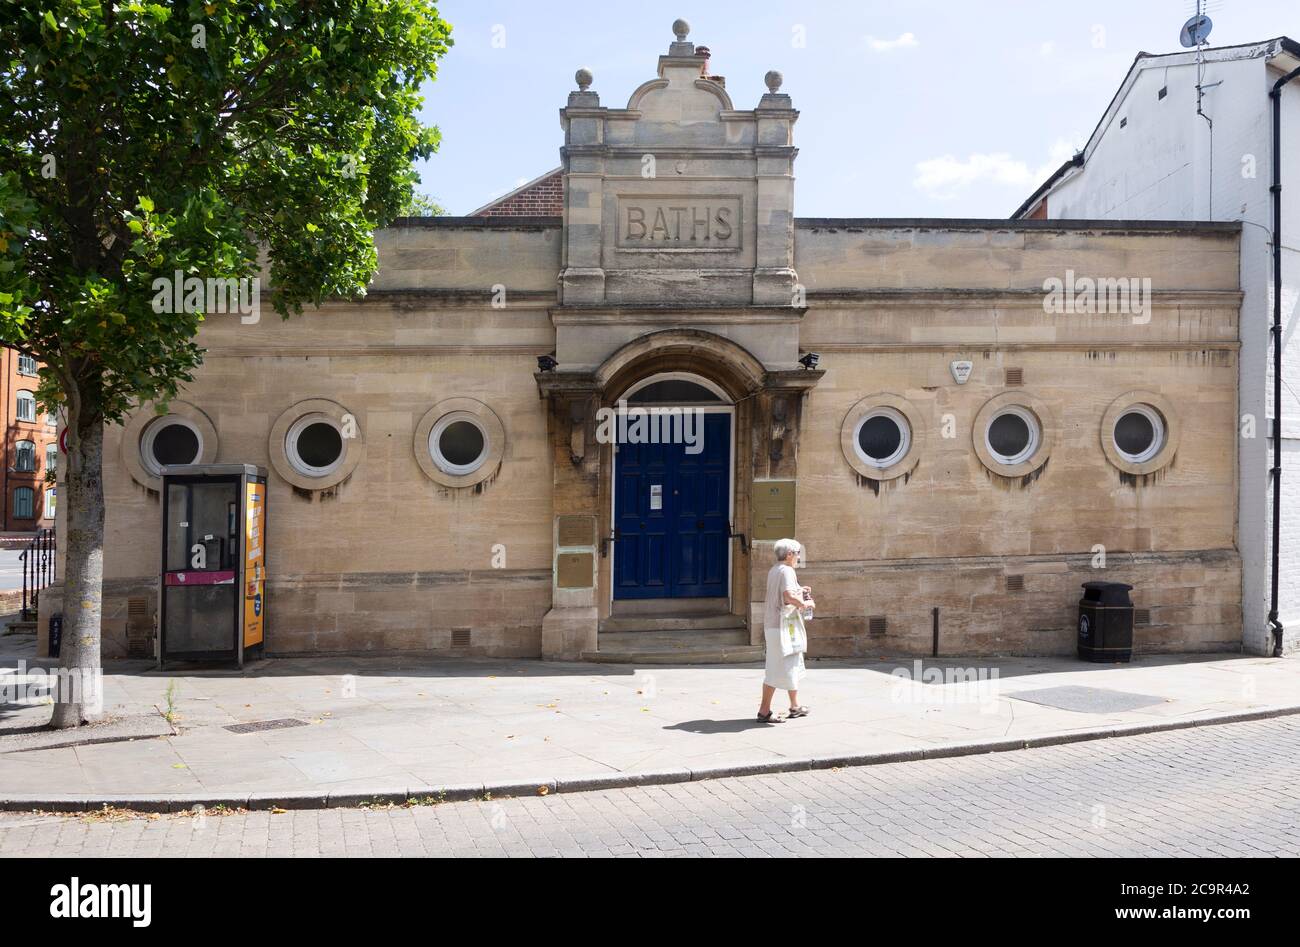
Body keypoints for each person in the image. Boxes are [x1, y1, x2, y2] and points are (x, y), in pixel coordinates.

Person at [758, 538, 813, 723]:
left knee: (791, 664)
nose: (798, 557)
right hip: (782, 626)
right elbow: (788, 596)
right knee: (776, 668)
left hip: (777, 625)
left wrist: (800, 590)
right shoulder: (787, 570)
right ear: (789, 554)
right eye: (797, 554)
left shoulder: (775, 570)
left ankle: (794, 706)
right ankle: (764, 711)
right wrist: (804, 604)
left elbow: (785, 592)